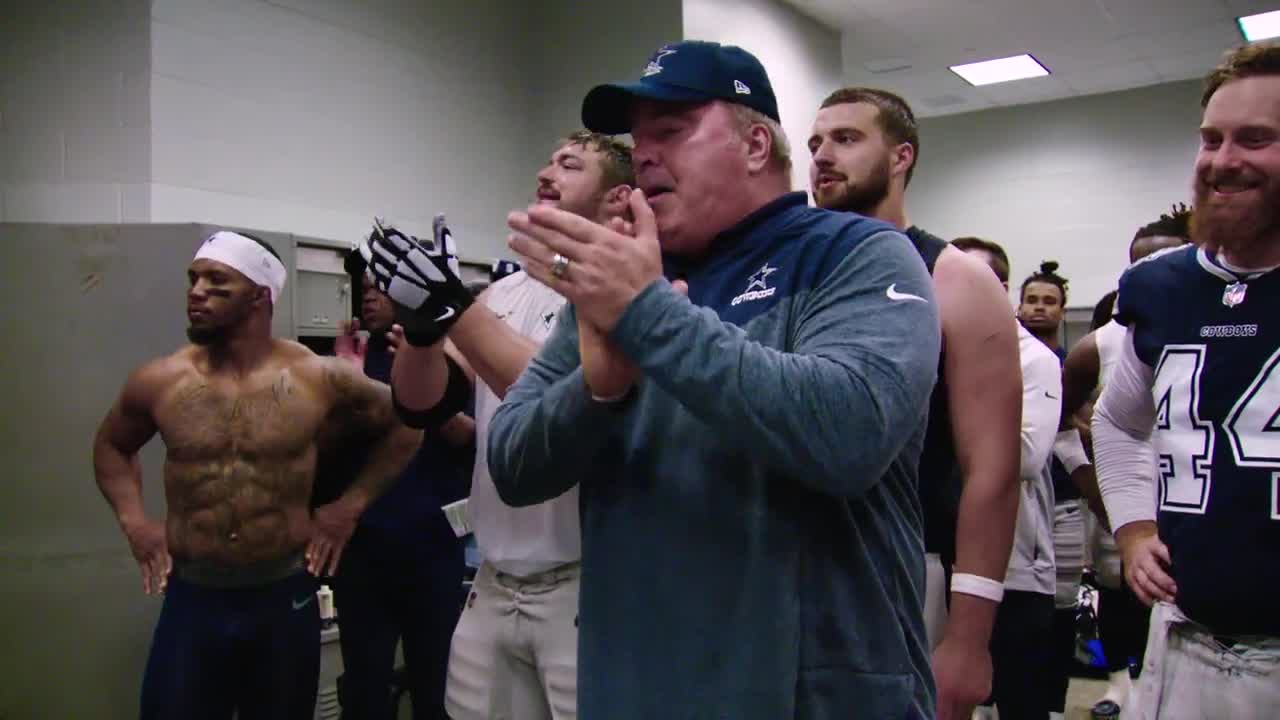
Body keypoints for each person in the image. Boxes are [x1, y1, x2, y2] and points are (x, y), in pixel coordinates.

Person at [489, 40, 940, 718]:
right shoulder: (621, 276)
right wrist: (598, 390)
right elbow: (513, 462)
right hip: (635, 686)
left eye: (669, 132)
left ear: (756, 144)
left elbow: (850, 431)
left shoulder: (859, 254)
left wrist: (648, 317)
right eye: (637, 137)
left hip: (812, 693)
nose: (643, 154)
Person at [361, 129, 636, 720]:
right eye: (546, 159)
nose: (546, 172)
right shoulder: (502, 294)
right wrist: (423, 331)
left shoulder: (621, 291)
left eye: (569, 164)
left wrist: (454, 310)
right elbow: (422, 404)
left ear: (616, 198)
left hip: (586, 588)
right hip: (493, 580)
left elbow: (562, 400)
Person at [92, 230, 421, 720]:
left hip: (281, 599)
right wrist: (135, 523)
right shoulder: (161, 380)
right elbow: (113, 447)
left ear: (259, 297)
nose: (196, 291)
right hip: (193, 598)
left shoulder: (317, 377)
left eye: (217, 281)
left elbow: (408, 423)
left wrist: (346, 509)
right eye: (194, 279)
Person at [809, 89, 1022, 720]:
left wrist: (968, 638)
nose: (822, 155)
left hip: (909, 566)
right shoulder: (797, 268)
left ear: (902, 156)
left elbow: (993, 470)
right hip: (796, 562)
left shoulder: (956, 278)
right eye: (817, 141)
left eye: (846, 139)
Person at [1093, 41, 1280, 719]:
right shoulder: (1159, 286)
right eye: (1211, 139)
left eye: (1255, 139)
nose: (1223, 161)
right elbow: (1117, 420)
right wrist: (1135, 528)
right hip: (1184, 642)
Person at [1058, 206, 1192, 717]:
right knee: (1124, 598)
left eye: (1162, 258)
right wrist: (1095, 483)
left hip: (1198, 506)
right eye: (1138, 263)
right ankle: (1119, 683)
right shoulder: (1099, 346)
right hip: (1127, 506)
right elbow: (1062, 422)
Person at [325, 273, 471, 720]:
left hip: (433, 550)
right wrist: (348, 385)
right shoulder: (354, 358)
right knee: (365, 688)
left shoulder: (450, 353)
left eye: (380, 285)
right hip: (365, 549)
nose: (368, 295)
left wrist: (424, 386)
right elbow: (329, 452)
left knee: (436, 687)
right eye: (363, 287)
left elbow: (472, 438)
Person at [955, 237, 1062, 720]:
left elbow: (1025, 456)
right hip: (944, 557)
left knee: (1020, 700)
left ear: (999, 289)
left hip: (1016, 565)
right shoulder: (932, 347)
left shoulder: (1034, 358)